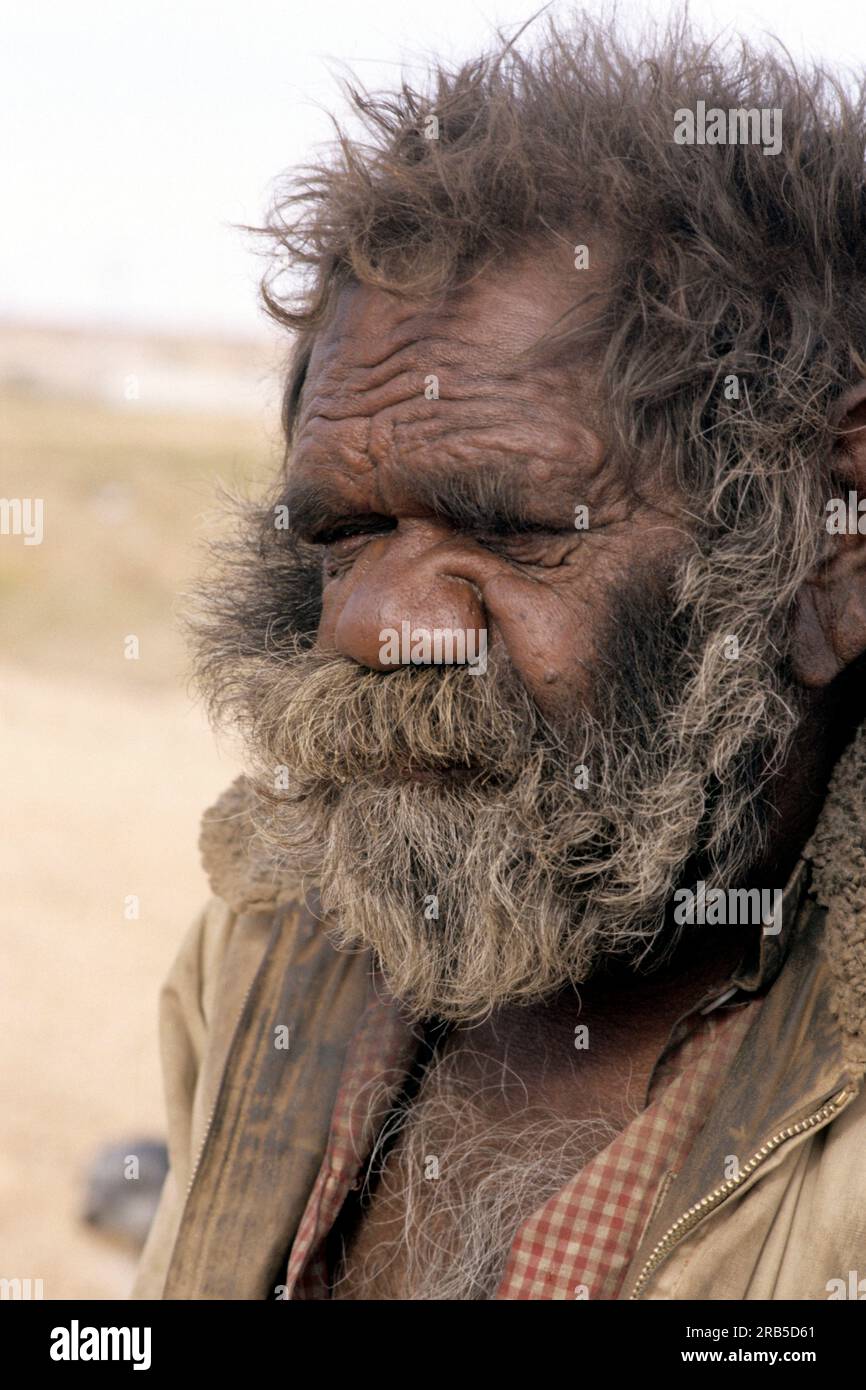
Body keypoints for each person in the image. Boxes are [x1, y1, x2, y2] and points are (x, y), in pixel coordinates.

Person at [132, 14, 866, 1300]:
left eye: (507, 529)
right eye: (345, 534)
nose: (367, 627)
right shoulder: (260, 951)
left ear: (828, 540)